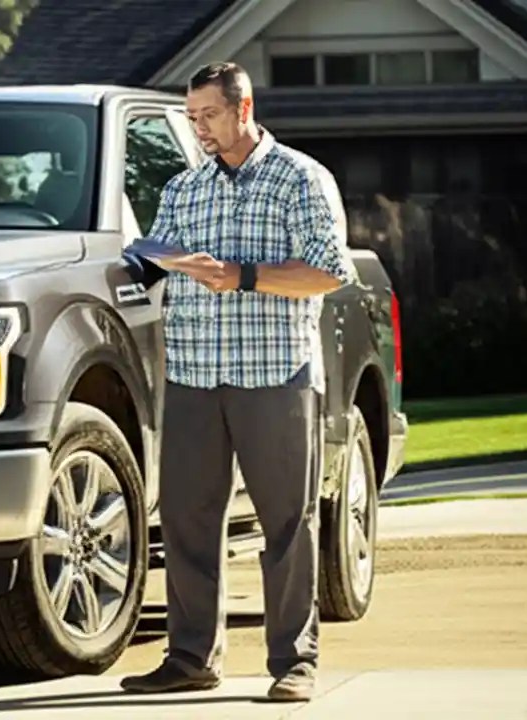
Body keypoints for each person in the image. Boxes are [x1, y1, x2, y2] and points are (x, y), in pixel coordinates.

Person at [117, 62, 357, 702]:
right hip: (194, 375)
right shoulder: (184, 188)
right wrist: (149, 258)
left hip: (275, 374)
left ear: (243, 108)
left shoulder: (300, 178)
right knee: (190, 524)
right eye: (192, 118)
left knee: (288, 522)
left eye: (209, 116)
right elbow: (153, 259)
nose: (199, 129)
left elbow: (328, 272)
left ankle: (294, 663)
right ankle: (190, 657)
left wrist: (240, 275)